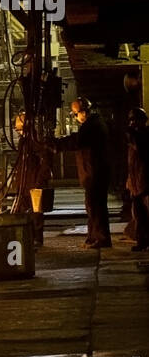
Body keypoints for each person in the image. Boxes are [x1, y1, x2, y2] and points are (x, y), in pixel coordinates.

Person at [55, 98, 112, 248]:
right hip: (92, 173)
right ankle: (94, 236)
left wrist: (56, 145)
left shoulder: (92, 126)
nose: (75, 117)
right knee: (92, 206)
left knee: (96, 206)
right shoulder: (93, 124)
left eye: (75, 114)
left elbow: (77, 141)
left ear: (84, 111)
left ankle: (102, 238)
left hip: (95, 172)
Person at [125, 107, 149, 252]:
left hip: (145, 181)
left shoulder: (144, 136)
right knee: (139, 216)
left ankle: (144, 240)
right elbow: (131, 163)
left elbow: (141, 152)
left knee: (144, 214)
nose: (133, 123)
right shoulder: (134, 138)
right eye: (132, 120)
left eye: (136, 120)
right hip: (136, 182)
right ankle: (142, 241)